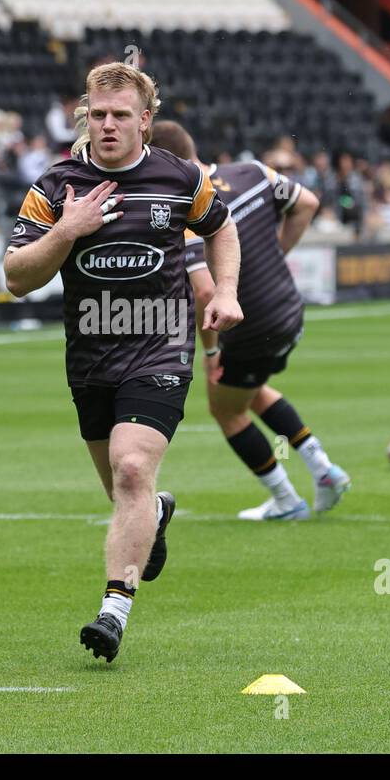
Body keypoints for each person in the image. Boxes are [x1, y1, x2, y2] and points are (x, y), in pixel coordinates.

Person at [3, 63, 242, 662]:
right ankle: (156, 514)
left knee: (132, 468)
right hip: (89, 356)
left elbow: (222, 228)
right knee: (125, 489)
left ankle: (114, 609)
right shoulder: (56, 184)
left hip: (160, 345)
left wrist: (228, 291)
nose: (106, 126)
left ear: (145, 120)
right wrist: (66, 230)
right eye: (96, 114)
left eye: (119, 115)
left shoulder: (181, 176)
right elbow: (15, 278)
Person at [154, 121, 352, 521]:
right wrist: (275, 253)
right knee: (250, 389)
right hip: (289, 311)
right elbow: (307, 203)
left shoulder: (190, 214)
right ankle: (323, 470)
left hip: (249, 326)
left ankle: (285, 500)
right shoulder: (252, 172)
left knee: (225, 409)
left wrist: (210, 352)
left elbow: (206, 293)